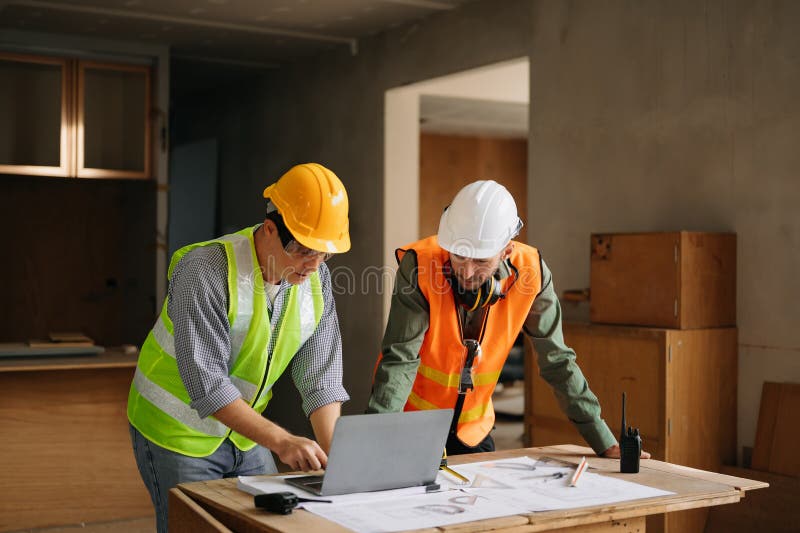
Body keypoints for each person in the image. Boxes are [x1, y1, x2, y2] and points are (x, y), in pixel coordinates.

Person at [128, 162, 351, 532]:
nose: (313, 264)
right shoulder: (204, 270)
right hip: (176, 432)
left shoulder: (315, 278)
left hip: (245, 435)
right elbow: (208, 386)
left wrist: (339, 460)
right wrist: (283, 441)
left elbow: (321, 378)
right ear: (270, 229)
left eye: (324, 253)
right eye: (303, 249)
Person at [368, 180, 651, 459]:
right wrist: (373, 440)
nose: (467, 272)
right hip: (412, 427)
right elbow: (400, 359)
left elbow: (558, 361)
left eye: (481, 261)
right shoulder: (419, 267)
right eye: (459, 256)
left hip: (473, 431)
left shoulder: (532, 275)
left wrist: (602, 438)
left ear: (506, 251)